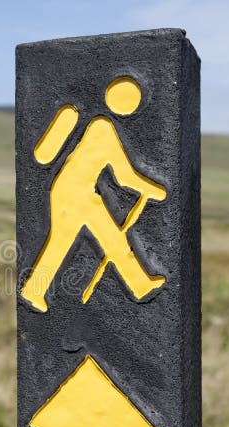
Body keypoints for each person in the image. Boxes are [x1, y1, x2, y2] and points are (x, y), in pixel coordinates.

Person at [21, 77, 166, 312]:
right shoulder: (103, 128)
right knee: (79, 240)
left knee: (102, 239)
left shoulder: (101, 126)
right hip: (74, 193)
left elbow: (122, 175)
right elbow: (124, 176)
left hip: (75, 191)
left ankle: (34, 290)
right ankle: (34, 290)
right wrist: (152, 189)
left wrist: (150, 189)